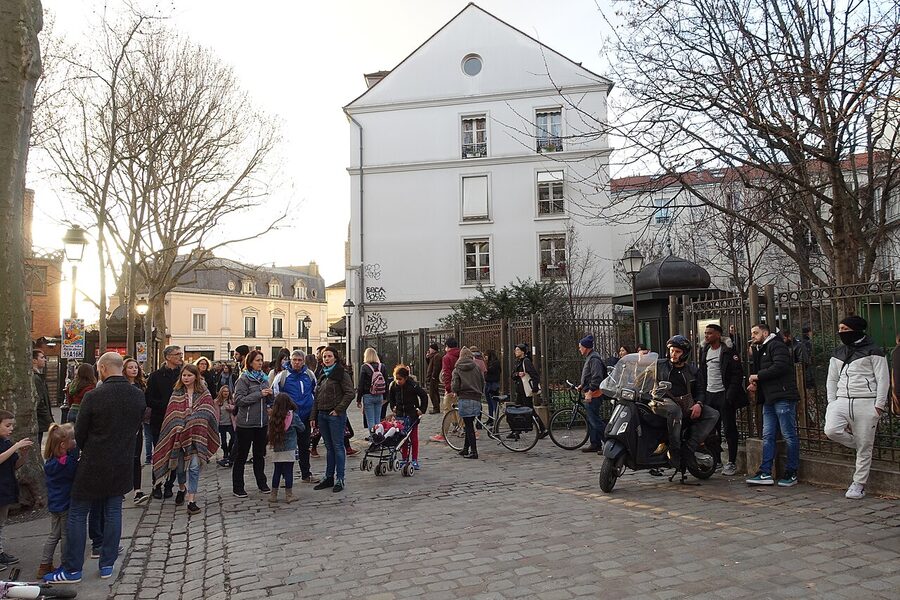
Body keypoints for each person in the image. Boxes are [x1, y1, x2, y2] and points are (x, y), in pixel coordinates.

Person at [44, 352, 144, 584]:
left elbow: (79, 433)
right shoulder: (137, 395)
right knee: (113, 512)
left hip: (93, 462)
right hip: (122, 462)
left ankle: (72, 569)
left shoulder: (94, 396)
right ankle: (107, 564)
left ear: (103, 368)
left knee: (78, 513)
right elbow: (136, 426)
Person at [824, 316, 889, 499]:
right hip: (841, 400)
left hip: (866, 401)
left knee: (865, 446)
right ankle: (859, 444)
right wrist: (832, 403)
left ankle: (858, 483)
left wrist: (879, 406)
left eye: (845, 329)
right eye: (840, 329)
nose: (841, 332)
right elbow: (831, 379)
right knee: (831, 430)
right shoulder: (838, 352)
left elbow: (883, 379)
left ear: (857, 329)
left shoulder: (874, 351)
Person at [152, 363, 220, 515]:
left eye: (189, 375)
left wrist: (193, 421)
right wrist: (180, 425)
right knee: (180, 468)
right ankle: (182, 488)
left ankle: (191, 500)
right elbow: (172, 414)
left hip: (197, 435)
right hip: (179, 437)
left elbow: (207, 411)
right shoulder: (176, 393)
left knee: (194, 467)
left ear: (196, 376)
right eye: (184, 375)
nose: (186, 378)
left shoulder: (204, 393)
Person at [746, 322, 800, 487]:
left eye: (755, 333)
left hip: (783, 396)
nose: (752, 336)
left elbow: (780, 366)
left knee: (788, 435)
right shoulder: (761, 348)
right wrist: (756, 382)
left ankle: (791, 471)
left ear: (765, 333)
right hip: (769, 398)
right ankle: (765, 472)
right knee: (768, 436)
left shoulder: (776, 345)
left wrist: (758, 376)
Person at [652, 335, 719, 470]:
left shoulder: (692, 370)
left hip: (686, 403)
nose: (674, 354)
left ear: (684, 354)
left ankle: (690, 447)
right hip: (662, 401)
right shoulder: (659, 365)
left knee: (713, 414)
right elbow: (642, 375)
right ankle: (674, 449)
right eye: (672, 350)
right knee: (674, 410)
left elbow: (700, 390)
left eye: (677, 351)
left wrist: (698, 404)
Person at [698, 325, 746, 476]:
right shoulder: (704, 350)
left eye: (710, 333)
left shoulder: (728, 350)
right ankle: (717, 459)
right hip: (709, 394)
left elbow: (737, 374)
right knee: (711, 430)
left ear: (718, 335)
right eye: (705, 333)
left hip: (723, 394)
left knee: (729, 428)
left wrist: (729, 395)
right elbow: (702, 372)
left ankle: (731, 462)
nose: (706, 336)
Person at [310, 347, 355, 493]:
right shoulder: (323, 373)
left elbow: (350, 393)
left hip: (335, 416)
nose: (327, 359)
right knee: (329, 448)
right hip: (322, 415)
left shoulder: (341, 373)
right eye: (324, 357)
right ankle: (328, 477)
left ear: (335, 357)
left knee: (338, 447)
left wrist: (338, 409)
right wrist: (313, 416)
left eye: (329, 356)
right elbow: (317, 396)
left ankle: (340, 479)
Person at [272, 350, 319, 484]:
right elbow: (275, 394)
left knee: (304, 446)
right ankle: (284, 477)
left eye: (299, 360)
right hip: (288, 419)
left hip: (305, 417)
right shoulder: (282, 376)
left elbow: (315, 392)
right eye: (294, 360)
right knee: (286, 448)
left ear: (303, 361)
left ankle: (306, 474)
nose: (297, 362)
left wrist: (313, 415)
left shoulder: (309, 375)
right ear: (290, 360)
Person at [38, 423, 77, 578]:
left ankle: (44, 564)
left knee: (54, 535)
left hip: (54, 503)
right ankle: (65, 563)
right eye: (72, 439)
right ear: (63, 444)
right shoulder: (67, 462)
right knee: (66, 535)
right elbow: (74, 473)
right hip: (65, 503)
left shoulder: (50, 462)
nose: (74, 442)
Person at [232, 350, 273, 498]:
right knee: (241, 455)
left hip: (261, 423)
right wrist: (259, 394)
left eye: (261, 360)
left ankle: (262, 483)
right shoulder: (243, 379)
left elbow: (268, 400)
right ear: (250, 362)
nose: (260, 363)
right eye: (257, 360)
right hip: (246, 424)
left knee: (259, 455)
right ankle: (238, 487)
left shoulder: (264, 378)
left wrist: (270, 396)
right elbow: (239, 400)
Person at [146, 345, 183, 499]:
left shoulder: (183, 374)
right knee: (159, 453)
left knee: (175, 454)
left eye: (180, 354)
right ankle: (157, 485)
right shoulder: (156, 376)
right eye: (177, 354)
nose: (180, 356)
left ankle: (169, 485)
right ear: (168, 357)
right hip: (159, 421)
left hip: (178, 421)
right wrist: (165, 405)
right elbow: (149, 398)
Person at [0, 409, 33, 570]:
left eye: (12, 425)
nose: (11, 429)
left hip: (6, 488)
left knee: (1, 522)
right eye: (7, 425)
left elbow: (15, 465)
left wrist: (24, 454)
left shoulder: (6, 443)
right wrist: (16, 446)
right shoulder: (9, 446)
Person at [387, 365, 428, 469]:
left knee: (413, 438)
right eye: (396, 378)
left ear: (405, 378)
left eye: (400, 379)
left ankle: (414, 459)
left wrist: (421, 409)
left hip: (412, 415)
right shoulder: (393, 385)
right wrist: (393, 407)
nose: (398, 381)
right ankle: (404, 458)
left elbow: (423, 395)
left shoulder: (412, 385)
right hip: (400, 416)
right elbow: (391, 397)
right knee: (403, 438)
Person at [267, 392, 304, 504]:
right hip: (290, 448)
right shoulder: (293, 416)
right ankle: (289, 495)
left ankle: (273, 495)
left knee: (277, 471)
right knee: (288, 471)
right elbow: (302, 428)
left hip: (277, 448)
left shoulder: (273, 417)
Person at [123, 358, 151, 506]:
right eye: (130, 367)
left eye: (135, 367)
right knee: (122, 458)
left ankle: (137, 491)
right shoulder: (120, 385)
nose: (134, 370)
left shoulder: (141, 385)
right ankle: (120, 489)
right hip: (122, 426)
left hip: (137, 425)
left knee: (135, 458)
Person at [577, 335, 608, 453]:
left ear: (585, 347)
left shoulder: (594, 359)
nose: (579, 349)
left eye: (580, 347)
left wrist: (590, 391)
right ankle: (595, 443)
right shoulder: (590, 357)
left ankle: (609, 443)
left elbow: (597, 377)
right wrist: (582, 385)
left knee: (595, 421)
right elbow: (589, 376)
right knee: (591, 420)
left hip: (594, 394)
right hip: (591, 392)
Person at [452, 348, 485, 459]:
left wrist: (456, 392)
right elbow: (482, 381)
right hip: (476, 398)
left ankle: (474, 451)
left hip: (464, 397)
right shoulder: (476, 367)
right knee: (469, 423)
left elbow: (455, 385)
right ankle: (466, 448)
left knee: (469, 426)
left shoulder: (457, 369)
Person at [431, 338, 461, 442]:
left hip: (451, 387)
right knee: (460, 410)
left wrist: (448, 388)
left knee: (447, 410)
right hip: (461, 387)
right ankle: (469, 430)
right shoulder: (461, 355)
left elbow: (446, 374)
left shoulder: (447, 357)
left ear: (447, 346)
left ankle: (443, 434)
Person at [511, 343, 545, 434]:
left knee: (529, 410)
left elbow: (534, 375)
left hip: (525, 390)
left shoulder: (526, 361)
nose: (515, 352)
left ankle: (542, 428)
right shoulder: (518, 361)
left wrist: (535, 387)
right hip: (520, 390)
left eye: (517, 350)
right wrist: (518, 374)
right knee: (519, 410)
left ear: (522, 352)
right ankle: (517, 430)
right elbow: (512, 375)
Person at [357, 348, 389, 434]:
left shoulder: (364, 367)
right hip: (379, 396)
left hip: (368, 396)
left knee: (370, 420)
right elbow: (386, 382)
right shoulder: (382, 366)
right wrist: (386, 397)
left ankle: (374, 438)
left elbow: (361, 385)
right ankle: (379, 436)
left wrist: (359, 399)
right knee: (377, 419)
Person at [33, 350, 54, 448]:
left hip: (39, 420)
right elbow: (40, 401)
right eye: (41, 357)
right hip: (38, 420)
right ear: (34, 360)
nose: (45, 360)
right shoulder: (36, 378)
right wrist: (49, 420)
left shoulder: (38, 377)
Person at [214, 386, 235, 468]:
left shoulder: (232, 401)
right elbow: (215, 412)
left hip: (230, 423)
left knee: (233, 437)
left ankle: (230, 449)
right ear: (221, 392)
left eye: (227, 391)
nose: (226, 393)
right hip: (221, 423)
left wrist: (231, 407)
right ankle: (225, 453)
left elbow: (236, 408)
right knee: (223, 440)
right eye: (224, 391)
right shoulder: (217, 402)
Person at [483, 349, 501, 425]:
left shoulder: (495, 363)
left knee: (494, 403)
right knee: (489, 402)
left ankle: (495, 419)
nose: (485, 357)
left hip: (493, 384)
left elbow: (490, 371)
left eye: (486, 355)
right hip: (488, 383)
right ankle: (490, 418)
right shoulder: (490, 363)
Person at [425, 343, 444, 414]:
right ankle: (436, 407)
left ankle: (436, 408)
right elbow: (430, 364)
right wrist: (427, 358)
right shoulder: (433, 356)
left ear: (433, 349)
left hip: (434, 377)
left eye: (430, 348)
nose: (429, 350)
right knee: (434, 392)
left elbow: (436, 367)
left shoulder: (437, 356)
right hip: (432, 376)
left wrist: (433, 376)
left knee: (432, 393)